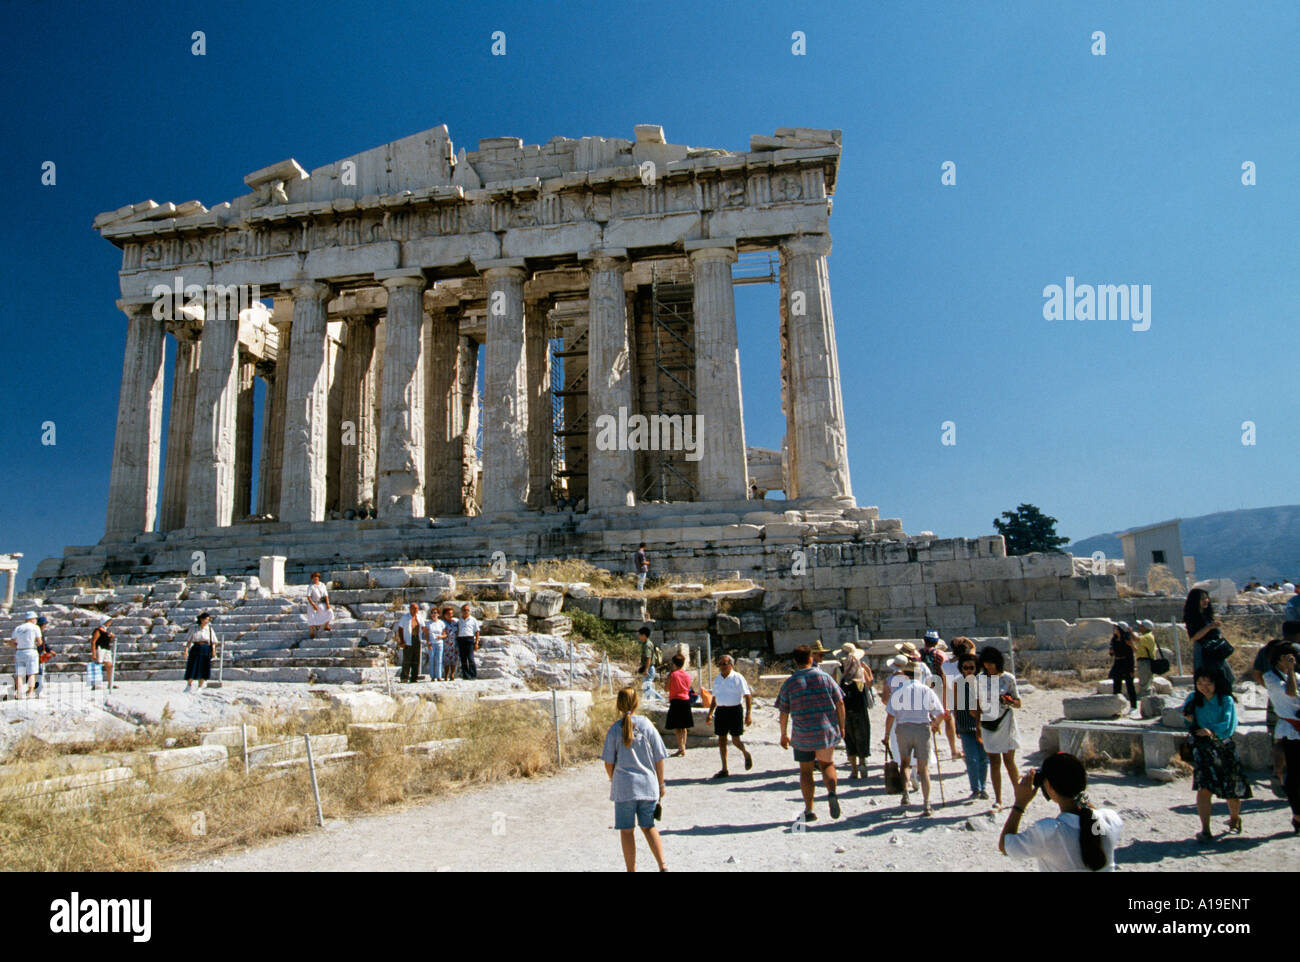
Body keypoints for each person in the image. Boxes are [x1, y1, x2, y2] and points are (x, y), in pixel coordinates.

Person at [999, 752, 1123, 871]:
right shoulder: (1110, 819)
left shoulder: (1048, 832)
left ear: (1049, 787)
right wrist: (1082, 798)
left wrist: (1019, 804)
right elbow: (1089, 816)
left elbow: (1005, 846)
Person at [776, 645, 845, 823]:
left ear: (795, 661)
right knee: (827, 764)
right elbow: (840, 703)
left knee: (806, 771)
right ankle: (831, 792)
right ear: (810, 658)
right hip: (824, 730)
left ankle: (809, 809)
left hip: (802, 733)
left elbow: (783, 712)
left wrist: (783, 734)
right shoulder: (825, 677)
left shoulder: (790, 683)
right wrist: (841, 727)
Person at [601, 686, 668, 871]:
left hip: (624, 788)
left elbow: (608, 762)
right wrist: (661, 784)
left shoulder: (615, 729)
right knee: (649, 826)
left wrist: (614, 779)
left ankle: (631, 869)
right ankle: (663, 865)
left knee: (626, 830)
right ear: (636, 702)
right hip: (647, 785)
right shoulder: (646, 725)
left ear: (618, 705)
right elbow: (659, 757)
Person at [1182, 667, 1251, 842]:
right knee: (1204, 788)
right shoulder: (1192, 698)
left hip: (1223, 749)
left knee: (1231, 790)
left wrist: (1211, 731)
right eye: (1200, 683)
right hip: (1203, 750)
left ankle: (1235, 818)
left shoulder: (1225, 700)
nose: (1204, 687)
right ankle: (1205, 830)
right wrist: (1189, 720)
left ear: (1216, 683)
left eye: (1208, 683)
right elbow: (1186, 719)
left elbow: (1228, 724)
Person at [882, 657, 946, 815]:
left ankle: (905, 794)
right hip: (922, 728)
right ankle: (927, 803)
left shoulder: (898, 691)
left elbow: (890, 715)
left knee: (905, 763)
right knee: (924, 768)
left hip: (903, 728)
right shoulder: (926, 690)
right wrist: (935, 724)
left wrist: (886, 734)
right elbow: (940, 713)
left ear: (905, 674)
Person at [1253, 622, 1300, 795]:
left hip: (1283, 706)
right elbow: (1291, 692)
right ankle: (1278, 773)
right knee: (1279, 741)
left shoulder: (1267, 651)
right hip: (1285, 712)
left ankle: (1279, 773)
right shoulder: (1273, 675)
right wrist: (1276, 691)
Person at [976, 645, 1022, 812]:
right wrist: (977, 727)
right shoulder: (980, 679)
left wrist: (1008, 700)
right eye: (985, 663)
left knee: (1009, 761)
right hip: (988, 723)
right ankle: (998, 799)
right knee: (994, 762)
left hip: (1005, 722)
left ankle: (1019, 797)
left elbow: (1018, 703)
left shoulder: (1008, 678)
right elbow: (977, 705)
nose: (988, 666)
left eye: (991, 663)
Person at [1262, 641, 1300, 833]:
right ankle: (1297, 813)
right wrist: (1291, 670)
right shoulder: (1270, 677)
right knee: (1294, 773)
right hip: (1290, 730)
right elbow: (1291, 693)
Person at [705, 654, 753, 777]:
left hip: (735, 710)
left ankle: (745, 752)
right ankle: (724, 768)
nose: (722, 666)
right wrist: (710, 713)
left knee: (735, 739)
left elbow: (747, 695)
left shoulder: (738, 677)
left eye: (725, 664)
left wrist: (748, 714)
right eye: (720, 664)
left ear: (731, 664)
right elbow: (714, 697)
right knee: (721, 739)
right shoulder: (717, 679)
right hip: (721, 711)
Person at [953, 653, 989, 800]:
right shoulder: (958, 683)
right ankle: (976, 788)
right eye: (965, 667)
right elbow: (956, 706)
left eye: (971, 667)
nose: (968, 670)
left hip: (982, 724)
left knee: (983, 758)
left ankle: (984, 787)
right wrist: (956, 726)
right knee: (971, 758)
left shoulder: (983, 682)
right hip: (965, 724)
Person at [1184, 587, 1234, 694]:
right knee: (1206, 678)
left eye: (1207, 598)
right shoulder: (1192, 617)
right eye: (1202, 599)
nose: (1206, 601)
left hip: (1215, 650)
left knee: (1228, 676)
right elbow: (1193, 637)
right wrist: (1209, 627)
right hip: (1204, 651)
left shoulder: (1207, 615)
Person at [836, 642, 873, 779]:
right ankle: (863, 763)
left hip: (845, 708)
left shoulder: (838, 670)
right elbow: (869, 683)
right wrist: (867, 670)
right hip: (860, 707)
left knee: (849, 738)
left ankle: (853, 770)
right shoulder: (860, 671)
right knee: (862, 735)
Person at [920, 630, 960, 758]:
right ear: (937, 642)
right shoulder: (940, 654)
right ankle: (953, 750)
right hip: (939, 688)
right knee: (947, 717)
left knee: (925, 719)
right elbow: (944, 674)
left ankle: (925, 752)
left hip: (923, 688)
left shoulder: (918, 654)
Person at [665, 653, 693, 757]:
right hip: (685, 700)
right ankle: (683, 747)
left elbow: (666, 688)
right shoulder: (687, 675)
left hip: (676, 700)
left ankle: (680, 748)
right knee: (684, 727)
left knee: (677, 727)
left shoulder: (672, 675)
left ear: (674, 663)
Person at [8, 611, 41, 699]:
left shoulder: (18, 628)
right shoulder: (35, 627)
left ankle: (19, 693)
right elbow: (39, 641)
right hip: (31, 651)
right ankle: (30, 693)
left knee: (19, 674)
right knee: (31, 674)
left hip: (20, 652)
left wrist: (18, 645)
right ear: (33, 619)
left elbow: (12, 642)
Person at [183, 613, 218, 692]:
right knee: (192, 666)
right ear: (201, 619)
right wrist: (186, 650)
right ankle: (189, 685)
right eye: (206, 619)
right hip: (196, 648)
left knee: (203, 668)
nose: (207, 621)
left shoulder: (209, 629)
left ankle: (200, 686)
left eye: (208, 620)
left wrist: (213, 651)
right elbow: (189, 640)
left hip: (205, 649)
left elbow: (213, 642)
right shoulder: (194, 628)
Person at [1108, 622, 1138, 714]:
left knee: (1130, 685)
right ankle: (1117, 706)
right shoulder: (1114, 639)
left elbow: (1130, 655)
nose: (1114, 630)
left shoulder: (1126, 640)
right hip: (1118, 663)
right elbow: (1112, 653)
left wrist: (1132, 669)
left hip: (1126, 663)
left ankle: (1133, 706)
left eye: (1116, 628)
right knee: (1116, 685)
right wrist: (1111, 652)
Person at [395, 602, 424, 683]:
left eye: (416, 608)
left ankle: (414, 677)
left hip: (417, 639)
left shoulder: (419, 617)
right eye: (413, 608)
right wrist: (402, 641)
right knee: (407, 659)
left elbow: (423, 627)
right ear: (410, 609)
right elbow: (400, 629)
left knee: (416, 659)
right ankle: (404, 677)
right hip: (408, 640)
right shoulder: (405, 617)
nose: (415, 610)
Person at [88, 618, 116, 690]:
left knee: (109, 665)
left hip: (107, 649)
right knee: (98, 665)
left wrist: (111, 637)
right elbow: (93, 641)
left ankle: (110, 683)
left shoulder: (106, 631)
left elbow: (106, 641)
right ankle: (96, 684)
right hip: (100, 649)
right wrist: (93, 653)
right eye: (108, 621)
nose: (109, 623)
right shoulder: (98, 630)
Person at [1133, 619, 1159, 697]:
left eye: (1141, 626)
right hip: (1144, 662)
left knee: (1144, 685)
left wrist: (1129, 631)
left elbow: (1135, 639)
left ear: (1145, 628)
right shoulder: (1147, 636)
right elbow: (1139, 651)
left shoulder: (1147, 637)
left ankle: (1146, 702)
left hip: (1145, 663)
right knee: (1147, 683)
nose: (1139, 627)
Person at [455, 603, 480, 680]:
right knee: (463, 658)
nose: (466, 611)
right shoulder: (459, 620)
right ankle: (465, 675)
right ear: (461, 611)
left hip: (469, 639)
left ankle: (473, 675)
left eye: (467, 610)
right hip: (461, 639)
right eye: (464, 610)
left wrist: (476, 642)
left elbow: (477, 631)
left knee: (470, 658)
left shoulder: (473, 620)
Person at [305, 571, 333, 639]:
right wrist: (313, 605)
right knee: (311, 617)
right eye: (314, 577)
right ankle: (311, 633)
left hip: (321, 602)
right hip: (313, 603)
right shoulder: (311, 586)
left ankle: (326, 625)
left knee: (330, 612)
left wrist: (327, 604)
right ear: (312, 578)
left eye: (317, 577)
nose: (316, 578)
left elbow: (326, 595)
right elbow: (308, 597)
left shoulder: (322, 585)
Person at [425, 606, 446, 684]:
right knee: (432, 659)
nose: (434, 614)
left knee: (439, 659)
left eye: (435, 613)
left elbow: (445, 634)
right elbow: (426, 634)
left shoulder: (441, 623)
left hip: (439, 643)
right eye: (433, 613)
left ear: (438, 614)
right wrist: (428, 642)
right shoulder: (428, 623)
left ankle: (439, 676)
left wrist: (440, 636)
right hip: (432, 643)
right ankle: (432, 676)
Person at [440, 606, 459, 680]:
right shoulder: (442, 623)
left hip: (454, 643)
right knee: (446, 660)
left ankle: (452, 674)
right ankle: (446, 675)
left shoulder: (455, 622)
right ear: (444, 614)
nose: (450, 615)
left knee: (454, 660)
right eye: (448, 614)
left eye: (451, 613)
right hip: (446, 643)